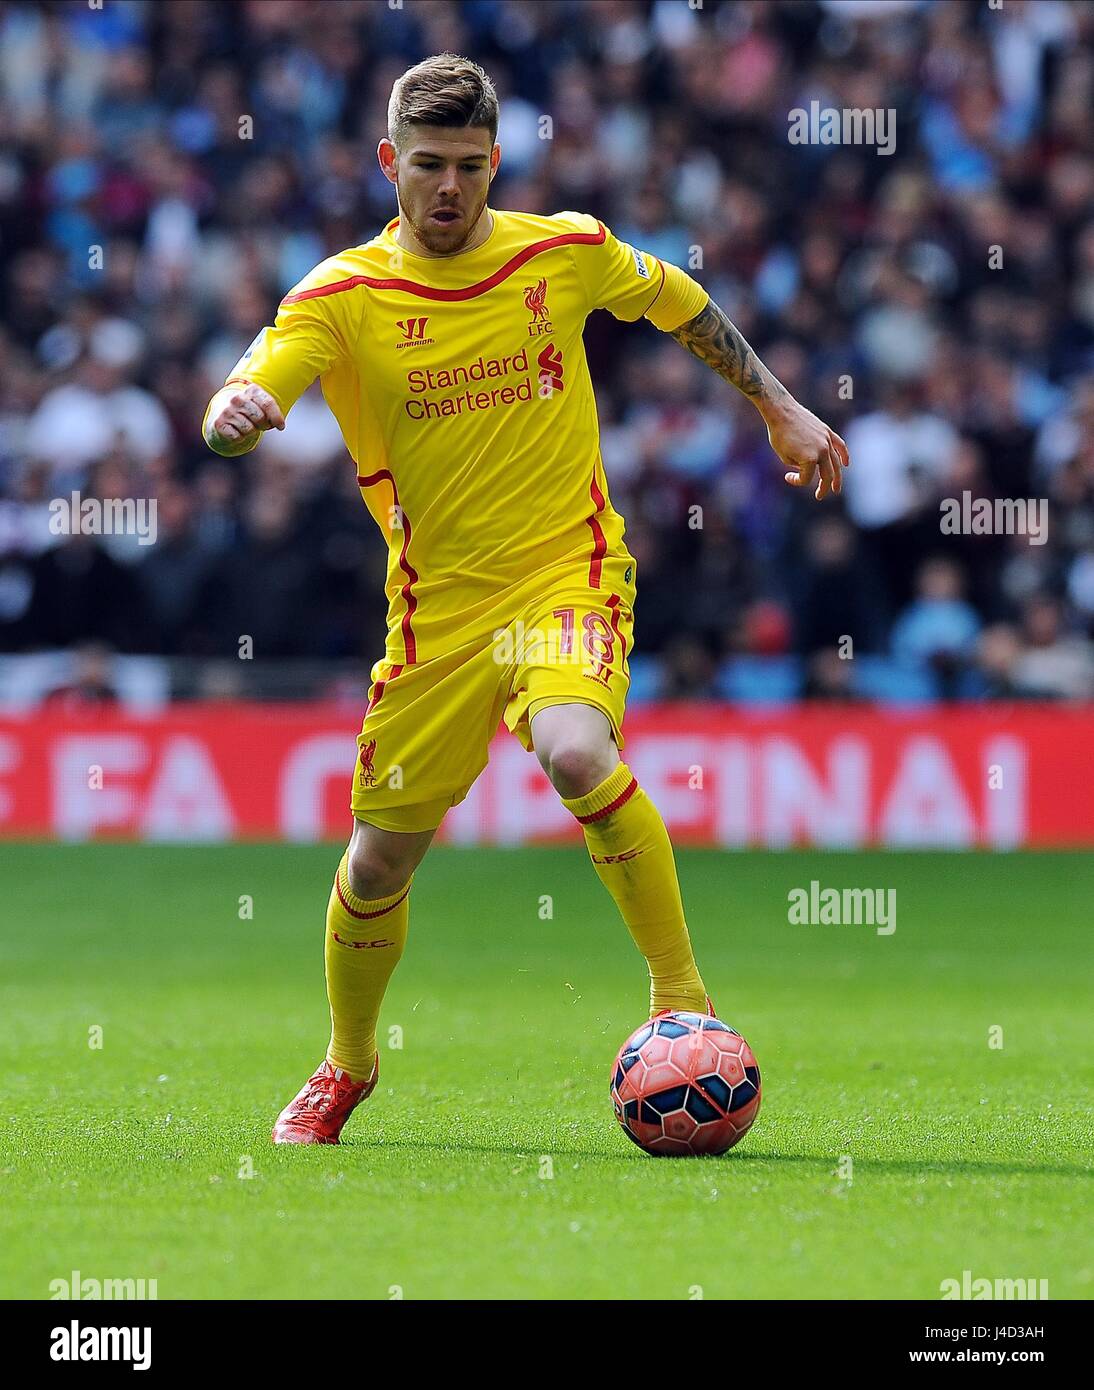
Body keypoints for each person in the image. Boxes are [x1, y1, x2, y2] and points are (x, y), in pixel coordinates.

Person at [201, 54, 849, 1145]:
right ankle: (347, 1065)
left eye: (465, 166)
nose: (446, 189)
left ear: (494, 161)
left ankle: (679, 999)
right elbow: (267, 367)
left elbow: (678, 301)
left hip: (566, 573)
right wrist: (240, 402)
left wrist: (778, 406)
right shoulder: (344, 294)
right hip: (436, 616)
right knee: (375, 862)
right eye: (424, 167)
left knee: (578, 754)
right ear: (385, 164)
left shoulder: (562, 252)